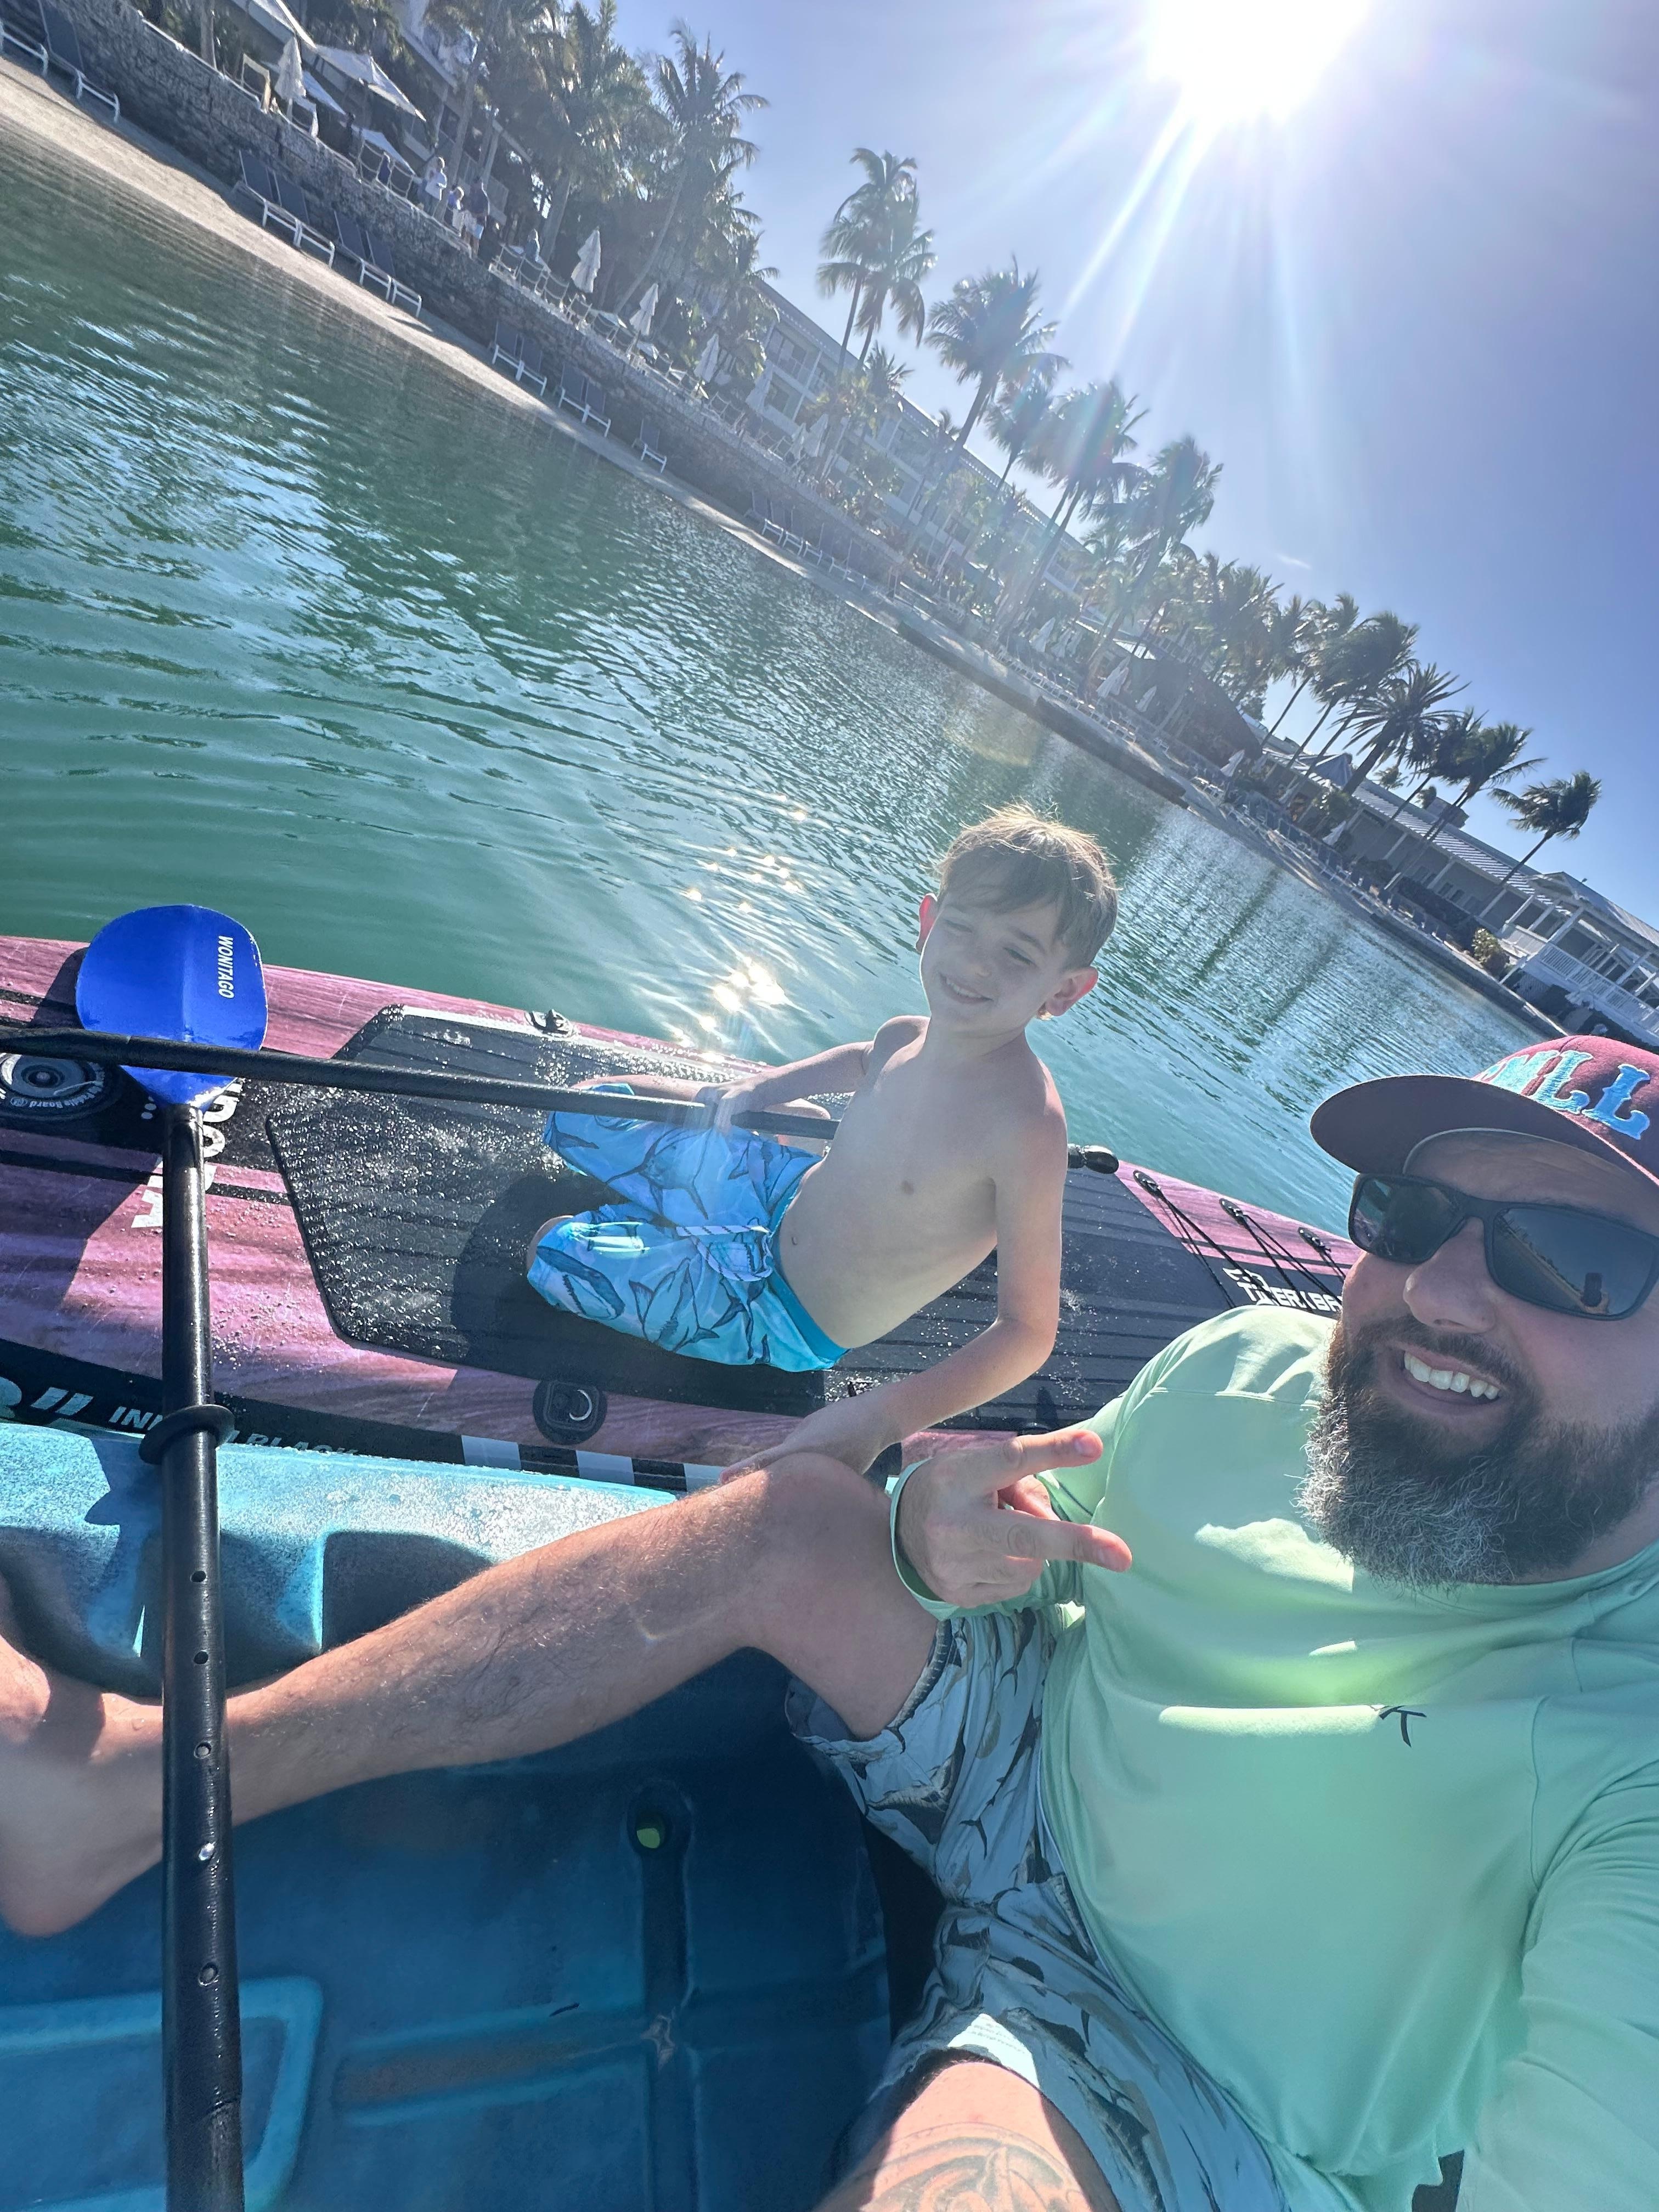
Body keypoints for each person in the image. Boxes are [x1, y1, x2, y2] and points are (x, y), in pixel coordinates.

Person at [7, 1036, 1659, 2212]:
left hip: (1173, 2063)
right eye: (1408, 1215)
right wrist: (938, 1541)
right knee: (800, 1517)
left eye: (1572, 1264)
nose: (1440, 1290)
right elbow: (1026, 1553)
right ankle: (130, 1791)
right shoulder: (1246, 1373)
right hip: (1030, 1755)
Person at [524, 806, 1115, 1475]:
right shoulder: (905, 1034)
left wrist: (879, 1418)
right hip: (772, 1195)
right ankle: (730, 1171)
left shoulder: (1027, 1126)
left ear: (1064, 990)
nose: (975, 962)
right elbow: (864, 1059)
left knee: (552, 1254)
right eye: (960, 927)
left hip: (778, 1310)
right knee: (581, 1110)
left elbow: (1028, 1333)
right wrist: (757, 1092)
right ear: (928, 921)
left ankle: (670, 1235)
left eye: (1016, 952)